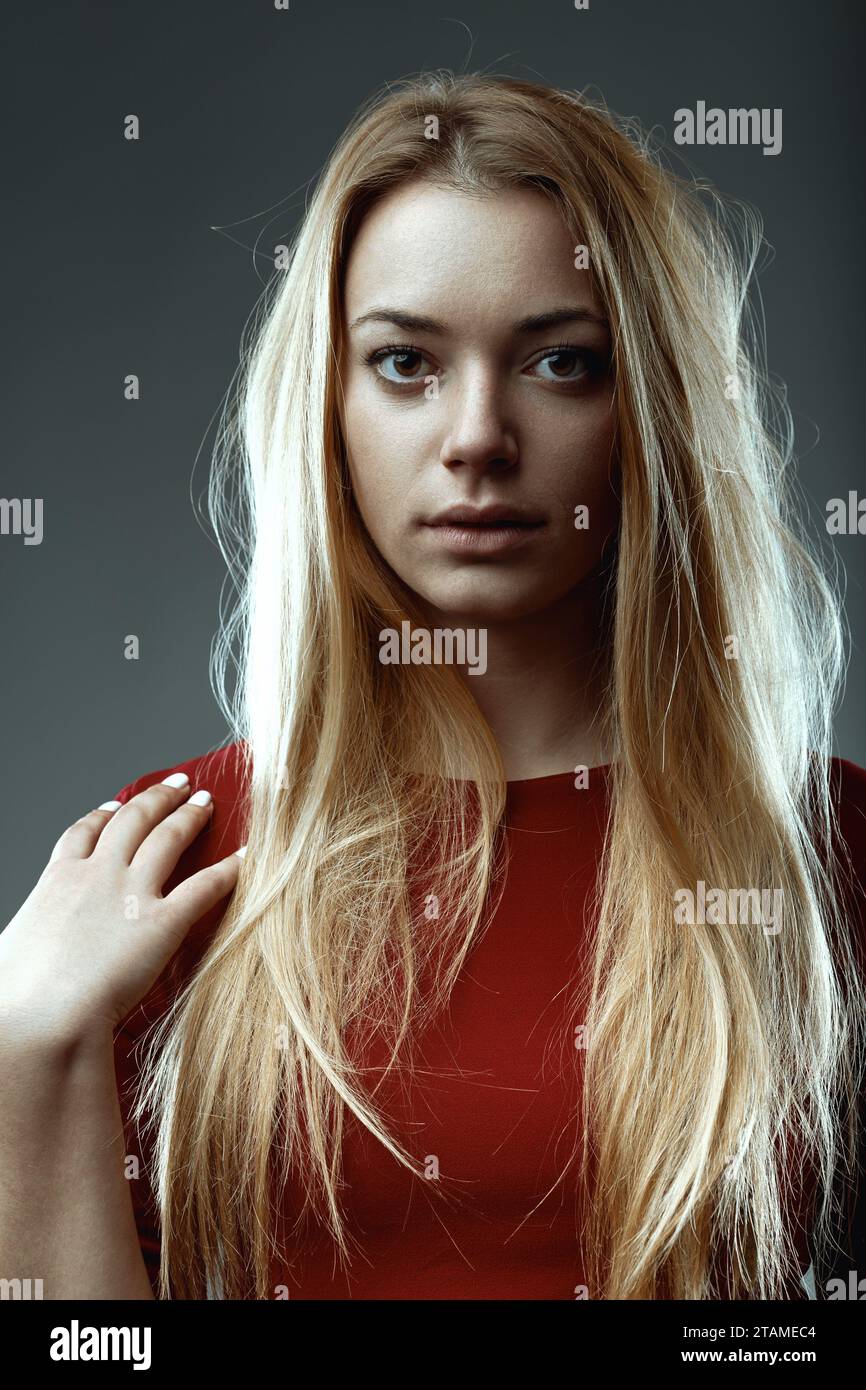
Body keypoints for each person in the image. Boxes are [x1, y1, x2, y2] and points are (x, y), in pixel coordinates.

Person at [2, 70, 864, 1301]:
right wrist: (29, 1049)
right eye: (405, 362)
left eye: (560, 363)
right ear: (327, 406)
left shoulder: (828, 860)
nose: (474, 435)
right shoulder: (162, 871)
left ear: (652, 408)